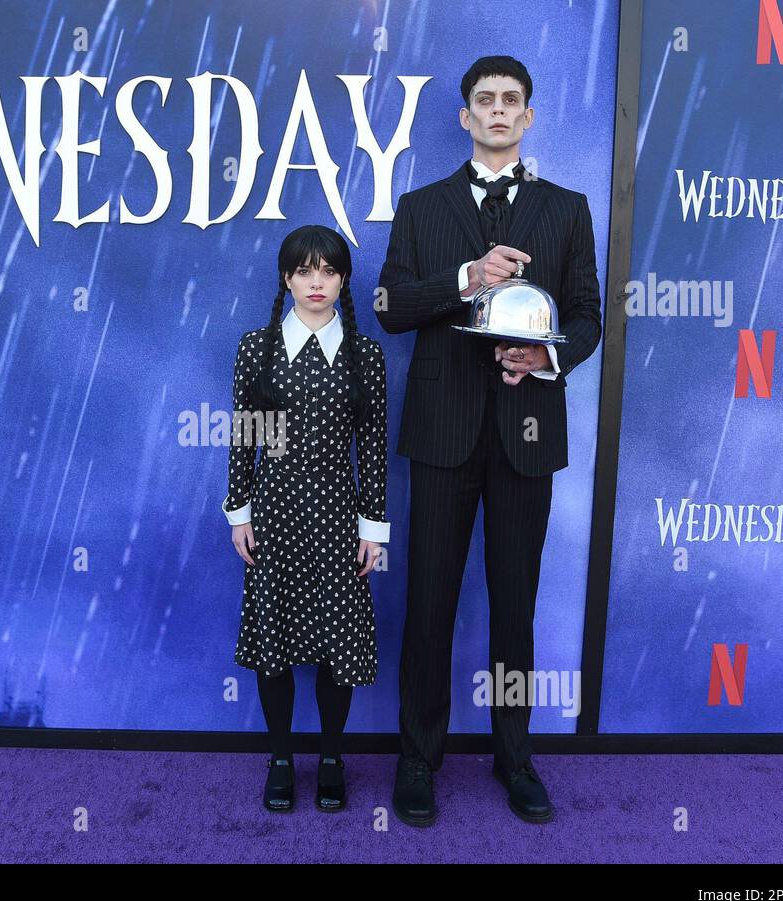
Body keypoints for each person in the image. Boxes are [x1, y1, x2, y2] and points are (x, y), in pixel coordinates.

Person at [374, 55, 602, 825]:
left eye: (511, 100)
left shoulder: (568, 210)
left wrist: (546, 354)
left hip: (527, 430)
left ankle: (516, 757)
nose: (498, 111)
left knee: (515, 606)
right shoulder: (420, 205)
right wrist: (466, 277)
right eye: (484, 101)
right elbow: (391, 306)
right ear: (465, 117)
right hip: (441, 430)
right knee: (429, 602)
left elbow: (587, 315)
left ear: (529, 116)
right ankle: (417, 758)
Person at [222, 224, 389, 813]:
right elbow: (246, 439)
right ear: (286, 278)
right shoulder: (257, 348)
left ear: (343, 279)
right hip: (275, 511)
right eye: (303, 271)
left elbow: (371, 446)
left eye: (327, 271)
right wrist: (239, 512)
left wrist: (374, 529)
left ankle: (333, 757)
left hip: (340, 515)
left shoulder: (364, 354)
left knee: (337, 641)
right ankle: (281, 758)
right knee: (277, 639)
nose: (315, 283)